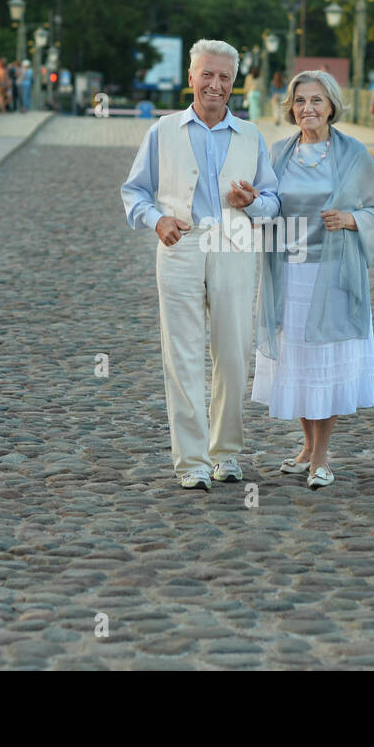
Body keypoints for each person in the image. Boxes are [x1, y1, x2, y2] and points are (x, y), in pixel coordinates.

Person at [121, 39, 281, 490]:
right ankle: (190, 461)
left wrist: (251, 202)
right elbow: (134, 191)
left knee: (233, 352)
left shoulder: (250, 136)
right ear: (191, 77)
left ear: (234, 83)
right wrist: (156, 220)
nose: (215, 84)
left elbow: (273, 201)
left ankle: (225, 453)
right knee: (183, 354)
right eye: (207, 74)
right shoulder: (164, 130)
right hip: (181, 246)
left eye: (224, 77)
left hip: (234, 244)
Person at [254, 70, 374, 490]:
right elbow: (268, 207)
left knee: (324, 362)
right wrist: (250, 201)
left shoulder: (353, 155)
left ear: (331, 105)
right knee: (298, 362)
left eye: (315, 100)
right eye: (299, 101)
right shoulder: (278, 153)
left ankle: (322, 459)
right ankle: (307, 447)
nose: (306, 108)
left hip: (333, 271)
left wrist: (351, 219)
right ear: (290, 109)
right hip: (289, 270)